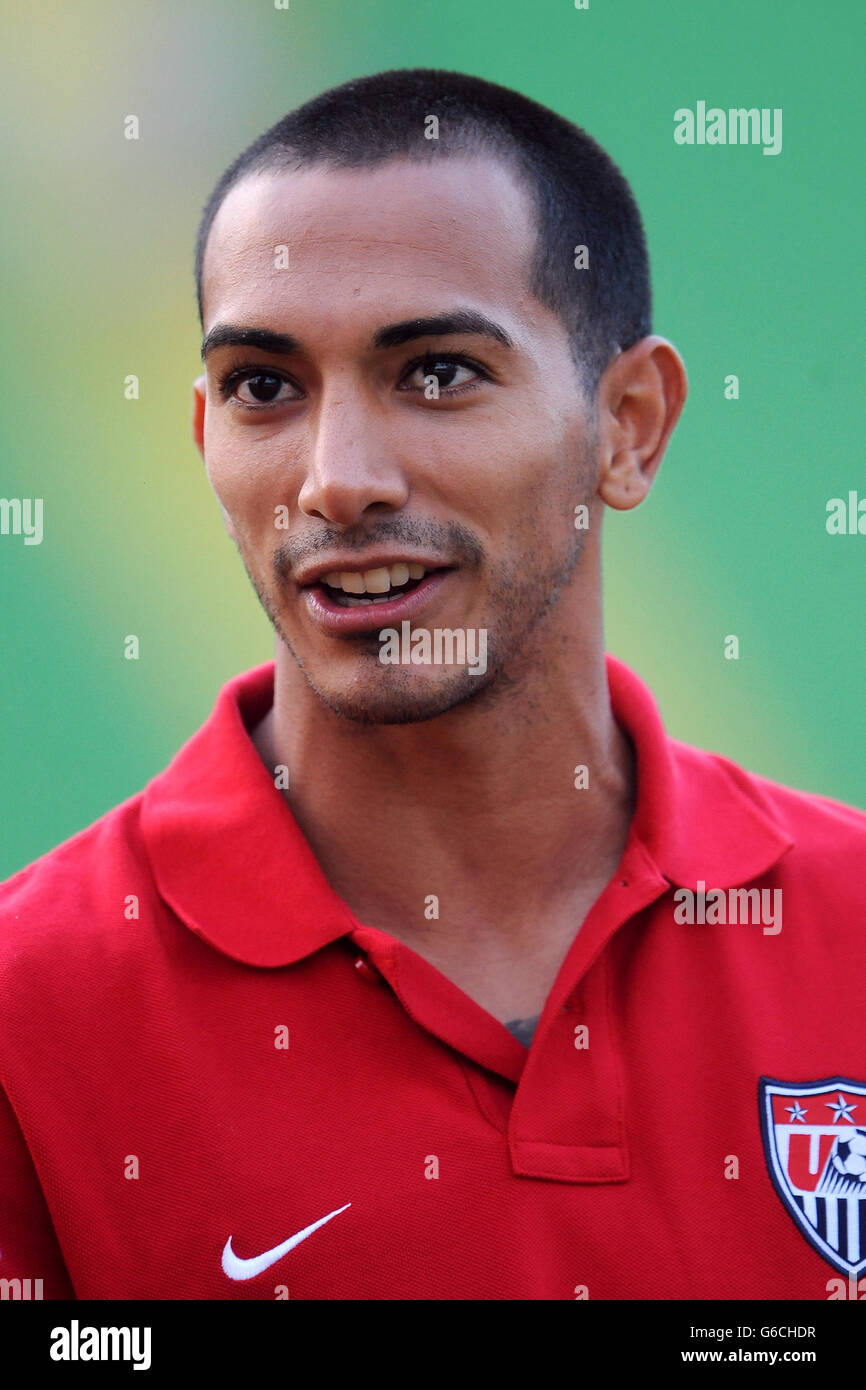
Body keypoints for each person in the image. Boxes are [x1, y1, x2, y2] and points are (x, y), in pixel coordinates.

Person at [2, 68, 865, 1302]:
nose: (336, 478)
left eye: (436, 372)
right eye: (264, 387)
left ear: (626, 426)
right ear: (203, 439)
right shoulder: (29, 1012)